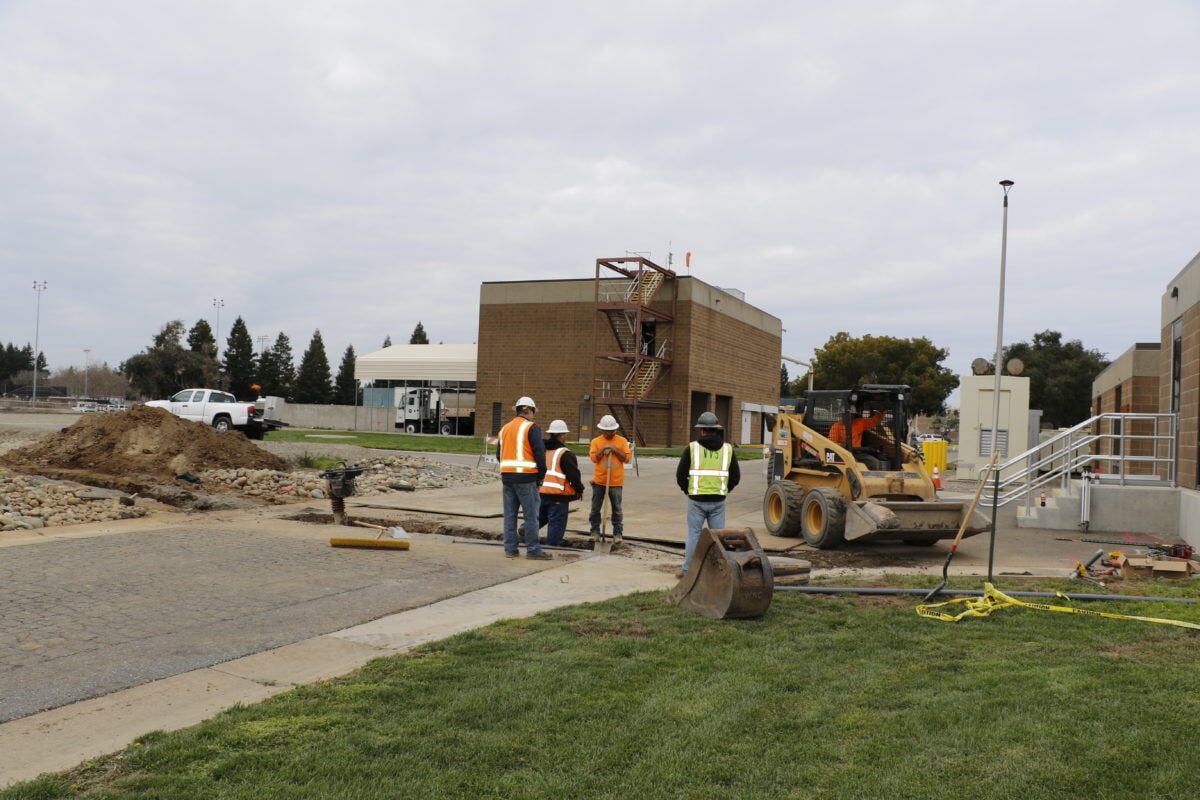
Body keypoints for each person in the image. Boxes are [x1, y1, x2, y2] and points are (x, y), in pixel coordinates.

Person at [676, 411, 740, 578]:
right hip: (718, 500)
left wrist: (688, 490)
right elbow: (736, 477)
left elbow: (680, 475)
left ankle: (687, 570)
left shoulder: (692, 448)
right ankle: (719, 570)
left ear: (702, 430)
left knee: (694, 536)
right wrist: (724, 490)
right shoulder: (728, 449)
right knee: (718, 538)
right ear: (716, 430)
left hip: (696, 499)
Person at [497, 396, 549, 559]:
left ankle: (510, 549)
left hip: (507, 477)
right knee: (531, 515)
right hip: (526, 478)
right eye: (533, 412)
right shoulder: (531, 428)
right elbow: (540, 454)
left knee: (510, 515)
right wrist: (541, 476)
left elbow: (499, 454)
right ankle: (533, 550)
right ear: (529, 411)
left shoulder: (504, 429)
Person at [539, 419, 584, 546]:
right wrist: (579, 489)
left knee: (540, 517)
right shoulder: (565, 454)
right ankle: (552, 547)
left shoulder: (544, 450)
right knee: (556, 523)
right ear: (561, 435)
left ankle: (526, 529)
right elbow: (574, 475)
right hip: (558, 495)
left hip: (542, 491)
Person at [588, 414, 632, 541]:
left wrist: (614, 449)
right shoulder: (596, 441)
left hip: (616, 482)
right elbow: (594, 458)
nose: (611, 433)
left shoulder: (621, 441)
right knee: (595, 508)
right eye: (608, 431)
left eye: (613, 431)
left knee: (617, 509)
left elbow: (627, 458)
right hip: (599, 481)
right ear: (602, 430)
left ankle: (617, 534)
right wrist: (603, 449)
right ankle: (595, 532)